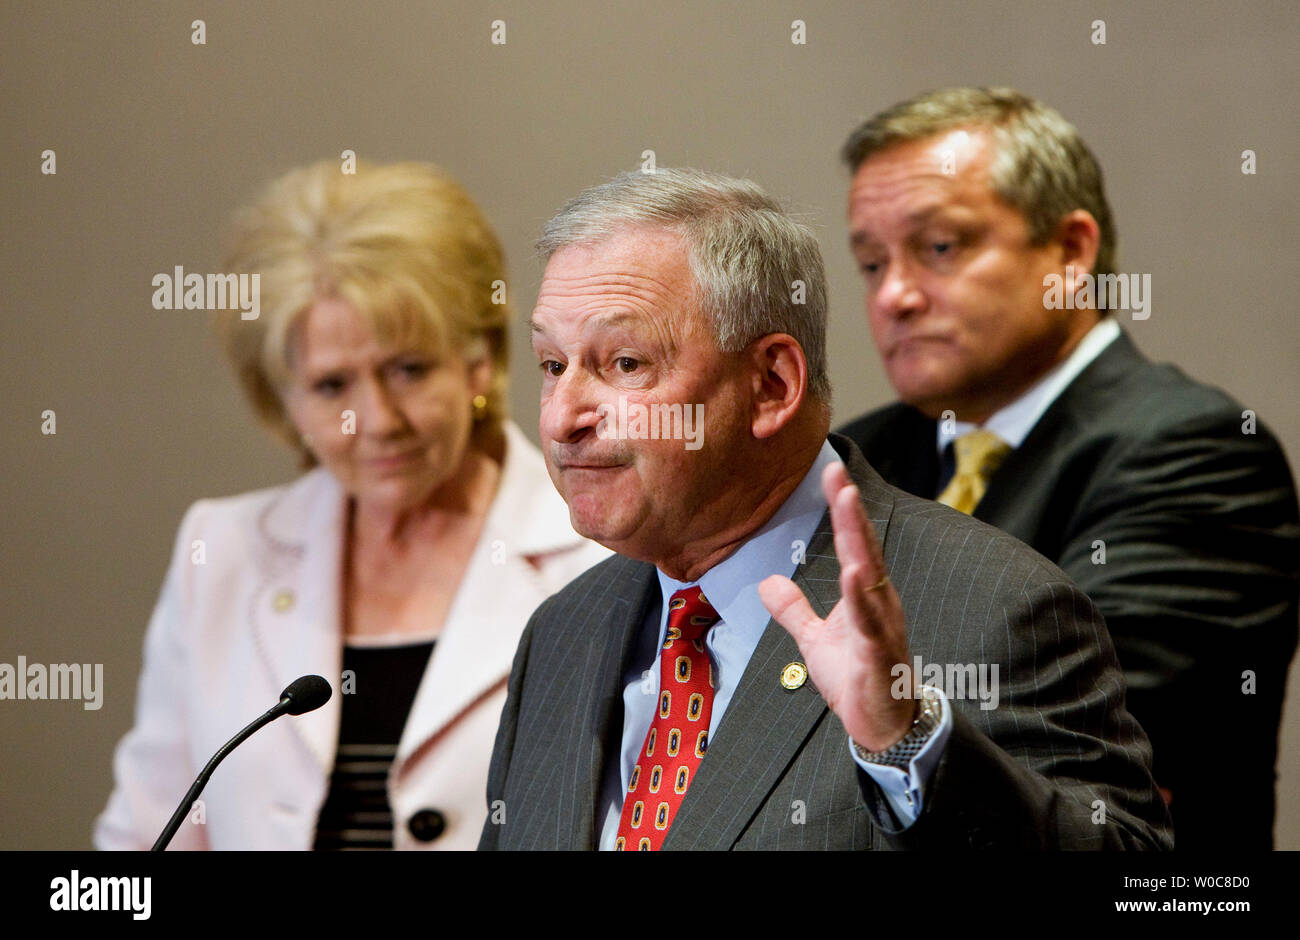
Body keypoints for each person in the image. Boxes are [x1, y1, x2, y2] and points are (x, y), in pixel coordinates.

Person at [478, 168, 1172, 850]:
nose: (564, 417)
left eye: (625, 363)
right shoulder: (563, 632)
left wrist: (908, 742)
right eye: (551, 365)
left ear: (771, 385)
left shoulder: (994, 608)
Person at [94, 160, 609, 850]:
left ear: (478, 361)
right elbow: (143, 840)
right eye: (332, 384)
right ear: (283, 398)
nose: (377, 419)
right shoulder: (220, 552)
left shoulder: (601, 550)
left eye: (408, 370)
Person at [835, 87, 1300, 850]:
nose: (895, 294)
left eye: (940, 247)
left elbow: (1057, 725)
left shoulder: (1196, 450)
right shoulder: (859, 457)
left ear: (1071, 252)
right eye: (870, 262)